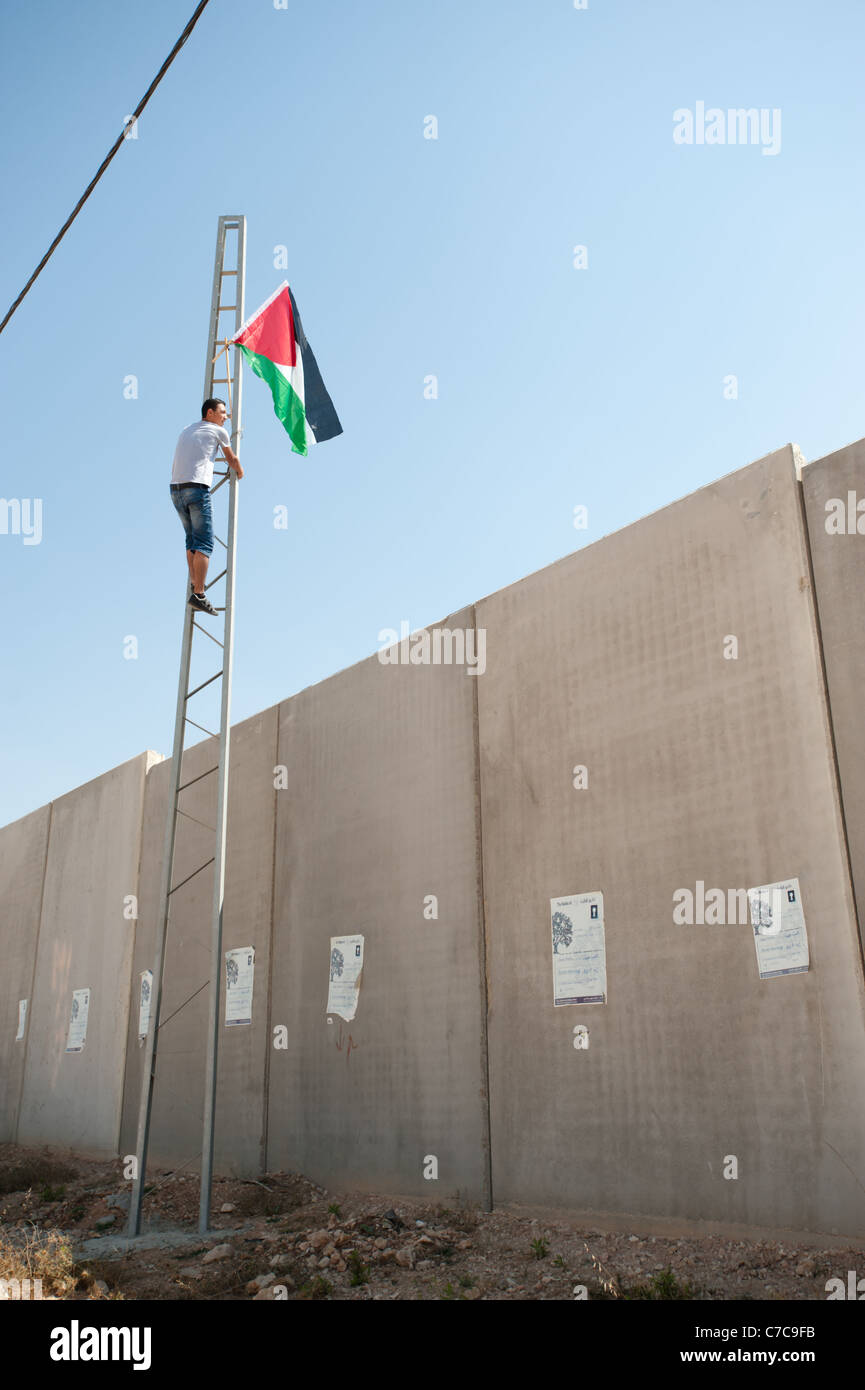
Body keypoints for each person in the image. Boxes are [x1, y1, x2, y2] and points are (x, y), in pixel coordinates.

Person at [170, 399, 243, 614]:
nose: (225, 417)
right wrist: (240, 472)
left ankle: (195, 584)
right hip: (196, 488)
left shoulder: (187, 429)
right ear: (209, 413)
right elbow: (232, 459)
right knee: (204, 542)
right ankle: (199, 593)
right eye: (222, 413)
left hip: (176, 489)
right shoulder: (218, 431)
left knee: (191, 539)